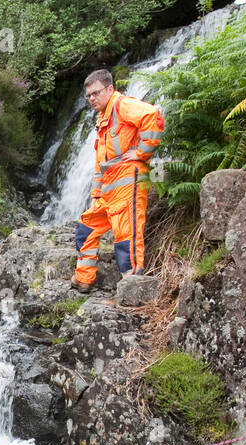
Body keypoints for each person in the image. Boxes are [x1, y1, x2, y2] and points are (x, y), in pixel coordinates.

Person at [69, 70, 163, 292]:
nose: (92, 98)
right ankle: (84, 279)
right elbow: (100, 163)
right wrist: (95, 195)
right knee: (86, 228)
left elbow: (153, 116)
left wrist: (141, 152)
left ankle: (132, 287)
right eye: (88, 95)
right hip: (108, 189)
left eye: (96, 93)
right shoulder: (104, 119)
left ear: (110, 89)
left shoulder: (122, 106)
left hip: (127, 181)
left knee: (126, 236)